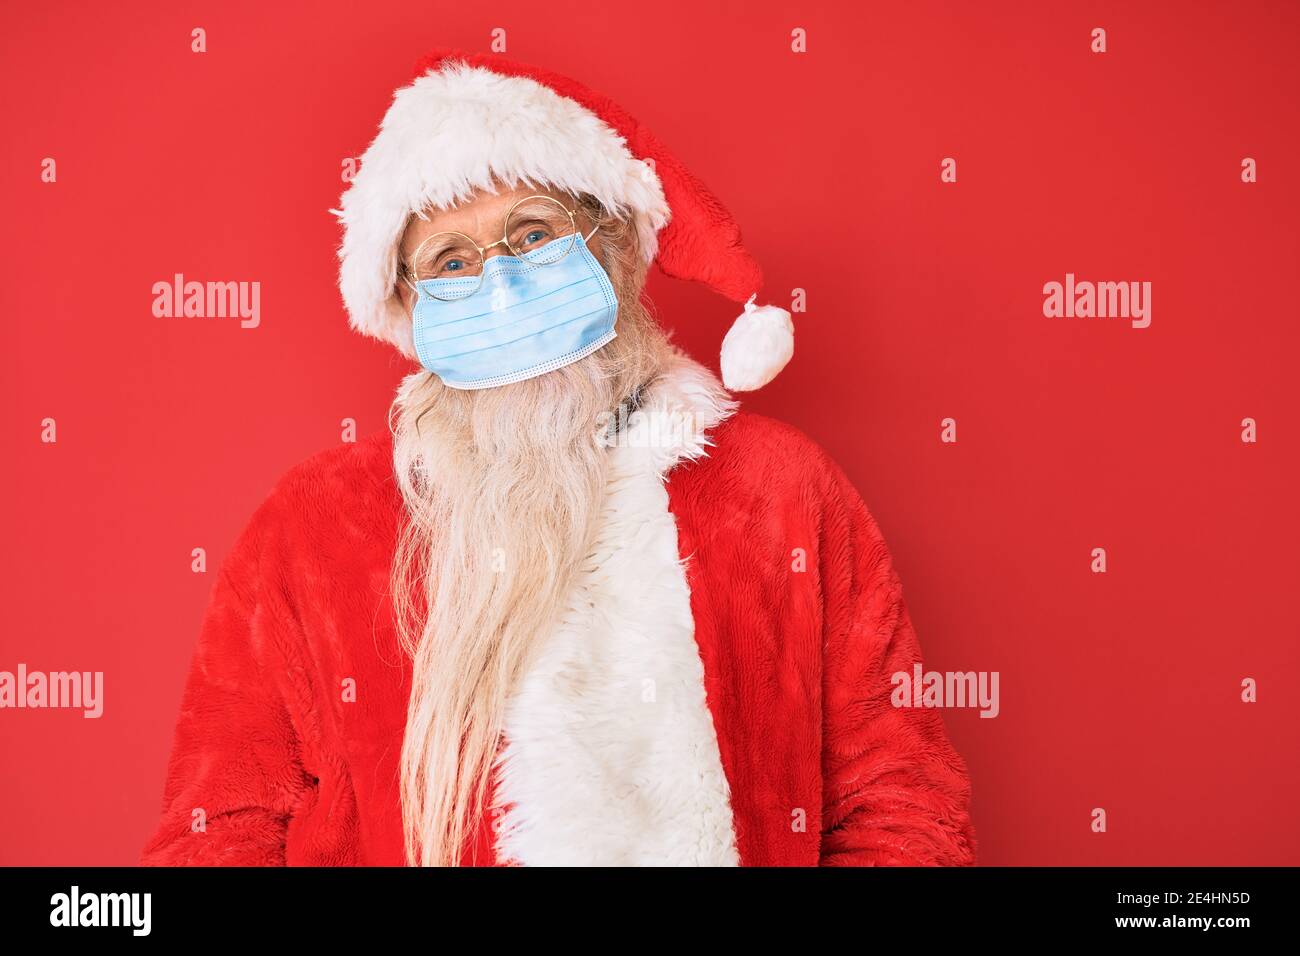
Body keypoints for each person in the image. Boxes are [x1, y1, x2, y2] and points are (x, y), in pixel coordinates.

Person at [140, 48, 976, 867]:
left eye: (533, 233)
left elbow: (900, 800)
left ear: (613, 253)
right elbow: (220, 827)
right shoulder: (314, 524)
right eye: (452, 261)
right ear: (407, 304)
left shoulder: (780, 489)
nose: (499, 281)